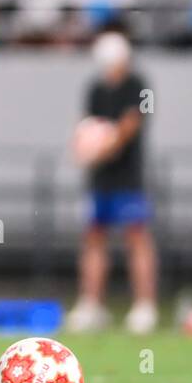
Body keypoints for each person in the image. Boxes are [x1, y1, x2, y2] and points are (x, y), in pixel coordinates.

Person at [67, 29, 157, 334]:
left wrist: (105, 145)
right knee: (94, 238)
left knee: (136, 237)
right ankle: (91, 304)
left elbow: (133, 123)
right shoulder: (96, 88)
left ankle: (145, 306)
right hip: (100, 178)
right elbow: (87, 124)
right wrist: (85, 146)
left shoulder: (137, 85)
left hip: (128, 178)